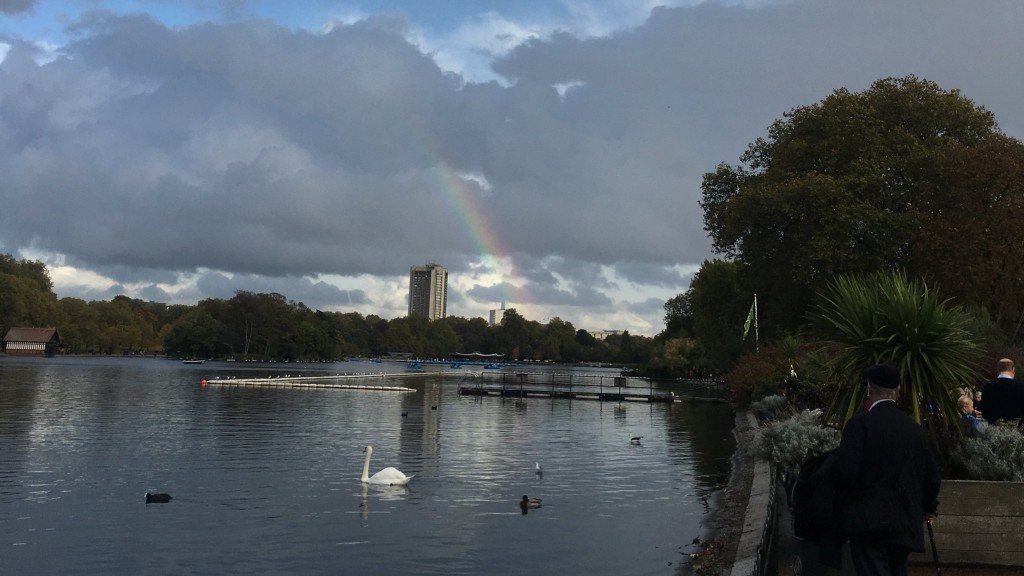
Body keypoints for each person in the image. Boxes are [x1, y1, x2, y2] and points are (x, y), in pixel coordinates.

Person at [833, 364, 940, 576]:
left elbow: (845, 471)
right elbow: (931, 475)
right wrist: (928, 506)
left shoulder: (859, 425)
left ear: (869, 390)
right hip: (904, 521)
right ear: (898, 389)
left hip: (867, 520)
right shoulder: (915, 430)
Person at [981, 358, 1024, 425]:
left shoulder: (988, 386)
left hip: (994, 429)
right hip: (1016, 429)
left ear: (998, 369)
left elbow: (985, 409)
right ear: (1013, 369)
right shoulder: (1021, 386)